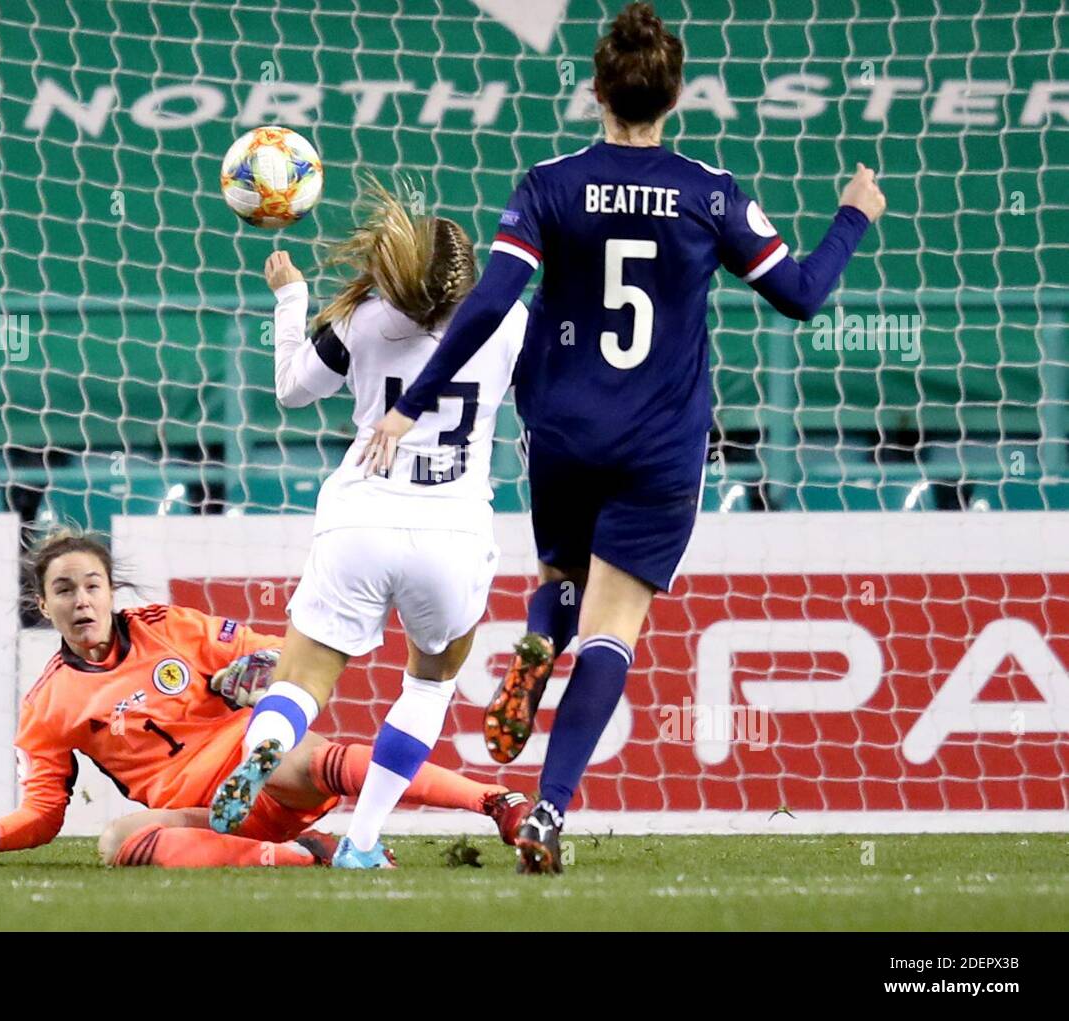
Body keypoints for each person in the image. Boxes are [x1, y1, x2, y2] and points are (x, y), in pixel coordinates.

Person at [359, 2, 886, 873]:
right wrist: (852, 216)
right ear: (674, 98)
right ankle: (548, 811)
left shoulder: (550, 184)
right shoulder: (710, 192)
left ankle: (540, 636)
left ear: (596, 93)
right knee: (613, 628)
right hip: (659, 444)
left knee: (561, 585)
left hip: (564, 429)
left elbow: (491, 300)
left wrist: (413, 402)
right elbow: (799, 294)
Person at [207, 181, 529, 867]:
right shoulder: (510, 322)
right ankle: (360, 840)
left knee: (299, 682)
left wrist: (290, 296)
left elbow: (293, 390)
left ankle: (264, 748)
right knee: (429, 685)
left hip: (361, 517)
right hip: (453, 528)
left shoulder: (364, 320)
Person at [0, 530, 530, 870]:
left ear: (112, 592)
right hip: (202, 818)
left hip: (263, 775)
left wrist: (254, 671)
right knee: (116, 840)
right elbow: (43, 814)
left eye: (92, 585)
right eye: (64, 590)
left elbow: (282, 655)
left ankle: (495, 802)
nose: (81, 600)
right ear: (44, 606)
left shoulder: (170, 627)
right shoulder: (48, 705)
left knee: (293, 753)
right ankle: (300, 856)